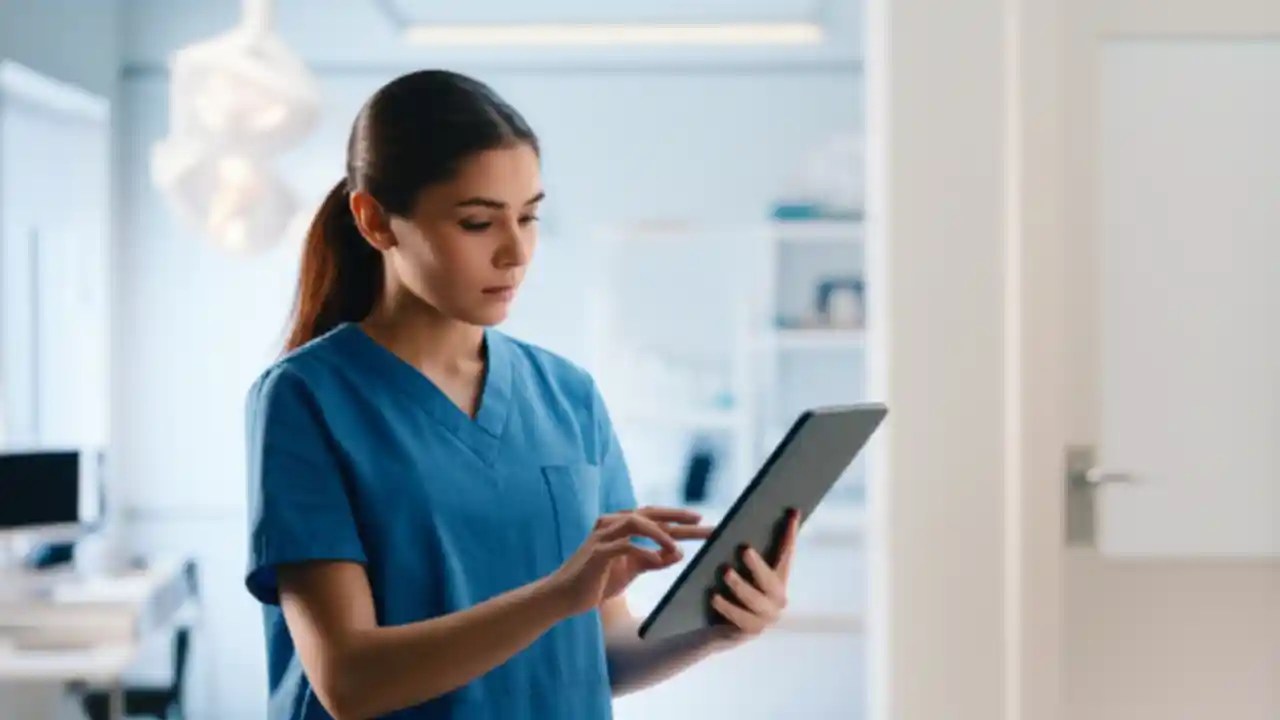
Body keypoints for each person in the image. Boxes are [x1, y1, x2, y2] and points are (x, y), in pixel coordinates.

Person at [243, 69, 801, 720]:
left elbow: (602, 652)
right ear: (375, 221)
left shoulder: (568, 395)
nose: (515, 253)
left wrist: (714, 630)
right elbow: (349, 681)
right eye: (478, 222)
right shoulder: (308, 398)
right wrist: (557, 595)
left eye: (529, 217)